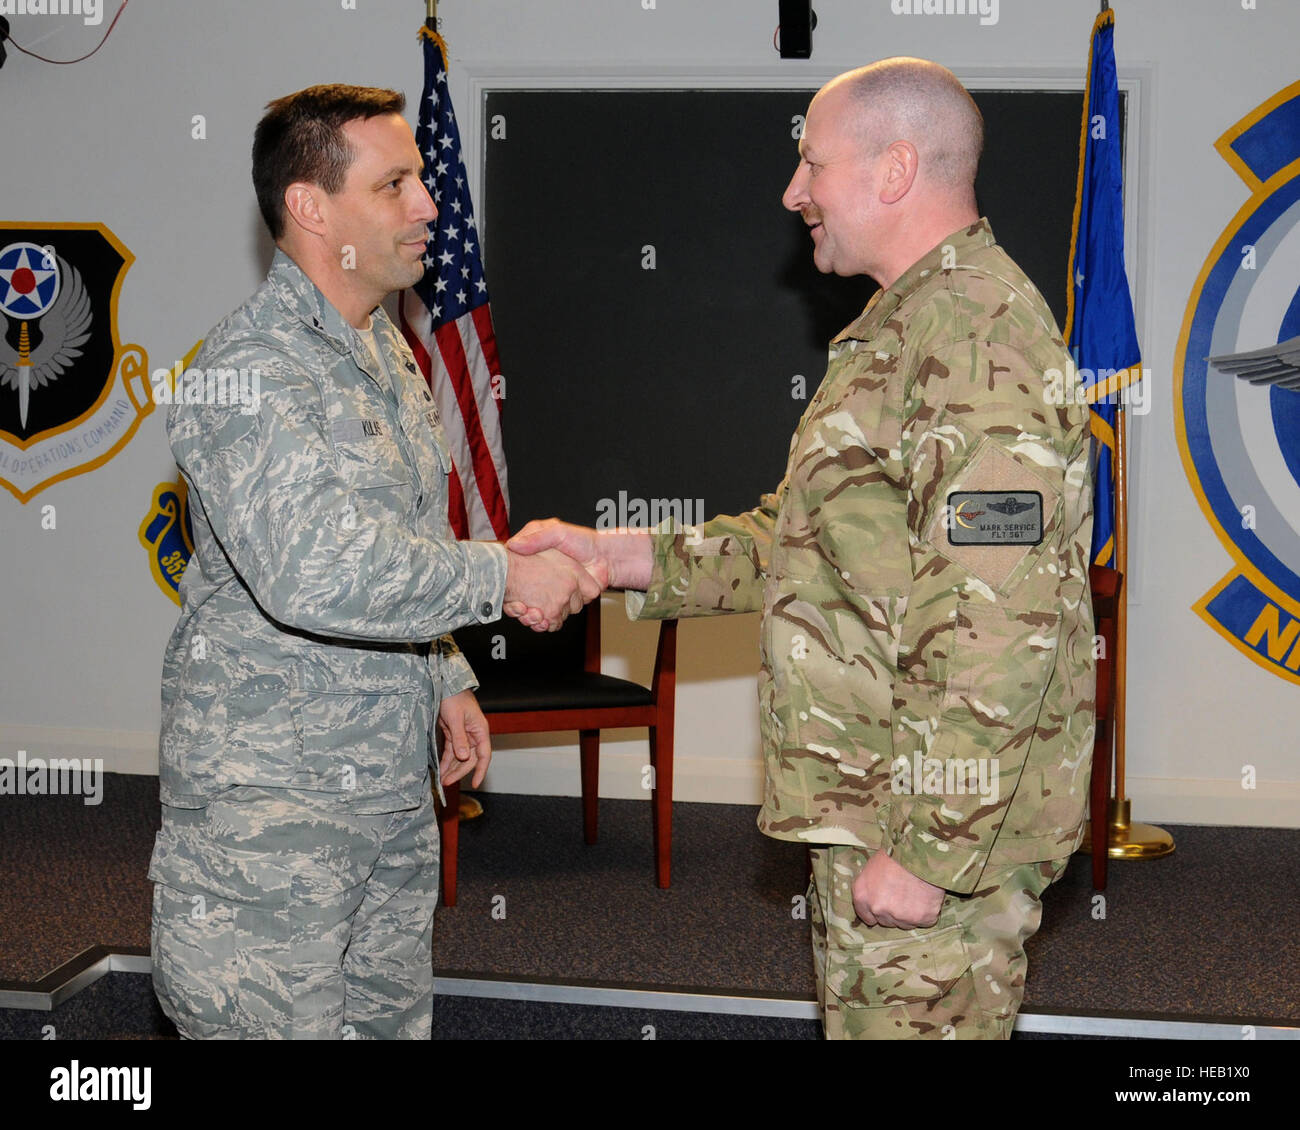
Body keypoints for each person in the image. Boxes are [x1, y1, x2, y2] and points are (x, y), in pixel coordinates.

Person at [506, 58, 1095, 1040]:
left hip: (925, 827)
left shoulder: (975, 341)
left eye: (809, 163)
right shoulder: (906, 328)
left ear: (894, 169)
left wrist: (928, 848)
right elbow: (800, 539)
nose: (793, 193)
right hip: (875, 806)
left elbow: (997, 622)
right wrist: (608, 555)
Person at [149, 84, 600, 1040]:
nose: (429, 205)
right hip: (274, 825)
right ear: (311, 208)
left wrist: (446, 673)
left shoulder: (383, 354)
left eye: (422, 181)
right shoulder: (250, 370)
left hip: (387, 795)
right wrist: (504, 578)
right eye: (395, 183)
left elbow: (403, 534)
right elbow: (315, 569)